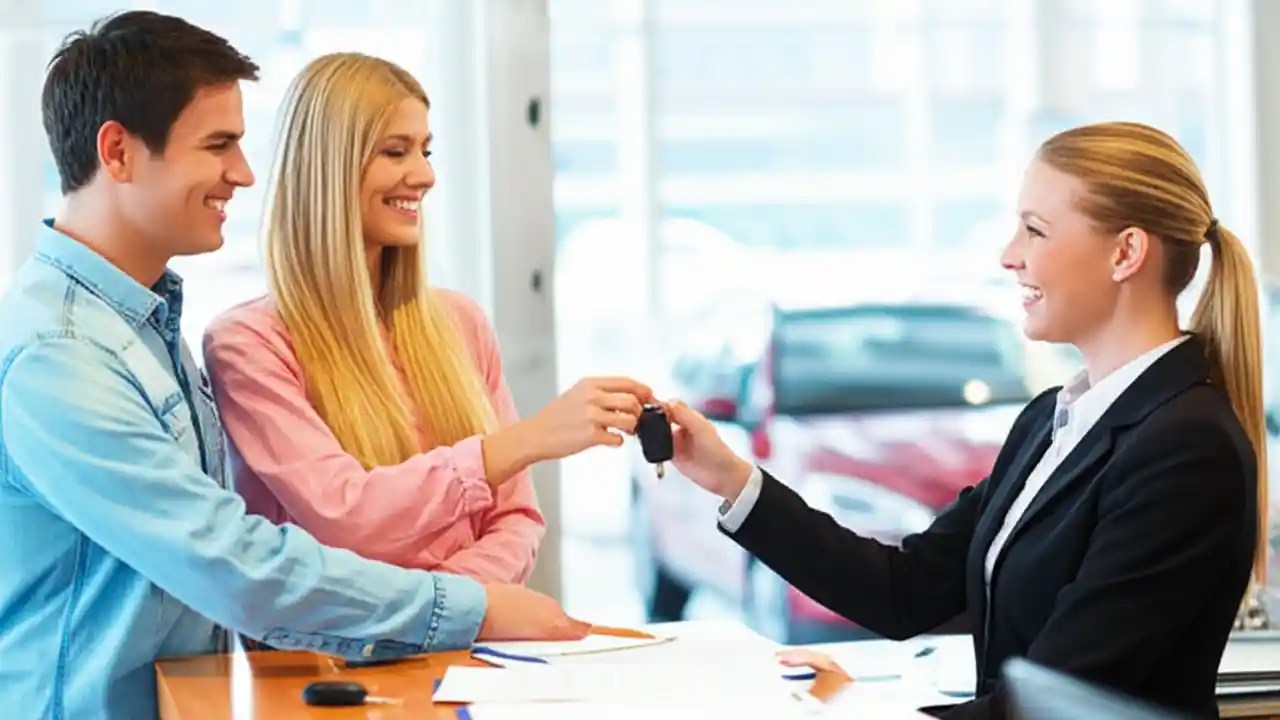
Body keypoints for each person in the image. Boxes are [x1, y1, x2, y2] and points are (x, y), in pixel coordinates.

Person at [0, 13, 591, 720]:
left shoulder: (146, 328)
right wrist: (471, 605)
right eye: (219, 146)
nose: (245, 175)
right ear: (119, 152)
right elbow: (237, 564)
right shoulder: (62, 355)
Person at [663, 121, 1264, 719]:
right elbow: (904, 592)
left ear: (1126, 252)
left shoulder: (1185, 448)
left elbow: (1051, 704)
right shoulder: (1049, 423)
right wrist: (732, 479)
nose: (1009, 256)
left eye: (1035, 230)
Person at [202, 53, 649, 583]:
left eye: (426, 150)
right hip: (323, 663)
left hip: (469, 652)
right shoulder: (248, 345)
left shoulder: (461, 324)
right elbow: (347, 516)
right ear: (327, 166)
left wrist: (441, 612)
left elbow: (517, 520)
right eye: (396, 151)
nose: (426, 175)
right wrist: (524, 441)